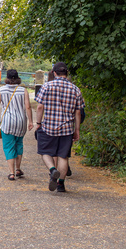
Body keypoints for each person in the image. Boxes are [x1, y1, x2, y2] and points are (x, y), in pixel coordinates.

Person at [33, 61, 85, 192]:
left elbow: (40, 106)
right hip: (67, 128)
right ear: (66, 73)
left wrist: (38, 123)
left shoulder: (46, 86)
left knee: (45, 152)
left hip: (48, 126)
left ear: (54, 73)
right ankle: (61, 185)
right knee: (63, 156)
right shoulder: (75, 89)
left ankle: (52, 170)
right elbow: (78, 112)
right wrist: (77, 130)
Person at [0, 69, 32, 181]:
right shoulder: (23, 90)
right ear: (17, 77)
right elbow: (28, 107)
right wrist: (31, 121)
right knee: (19, 144)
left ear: (7, 78)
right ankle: (18, 168)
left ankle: (12, 173)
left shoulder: (1, 90)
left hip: (7, 122)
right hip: (21, 122)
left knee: (9, 146)